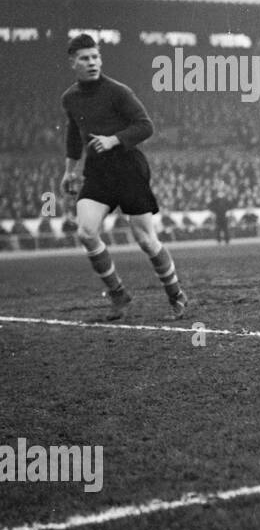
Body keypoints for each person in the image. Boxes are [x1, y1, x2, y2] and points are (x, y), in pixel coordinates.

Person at [59, 34, 188, 320]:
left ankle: (176, 295)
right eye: (84, 58)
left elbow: (145, 126)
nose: (91, 62)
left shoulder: (118, 92)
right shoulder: (70, 98)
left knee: (145, 239)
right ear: (73, 63)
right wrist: (69, 170)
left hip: (129, 168)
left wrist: (114, 140)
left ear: (100, 59)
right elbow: (72, 134)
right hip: (98, 172)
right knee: (86, 232)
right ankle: (118, 294)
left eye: (95, 57)